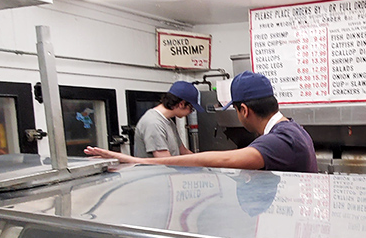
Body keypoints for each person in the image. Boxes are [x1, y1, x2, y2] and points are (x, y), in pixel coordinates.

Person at [86, 71, 318, 173]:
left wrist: (132, 160)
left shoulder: (279, 139)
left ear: (244, 110)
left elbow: (226, 159)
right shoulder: (293, 129)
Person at [132, 81, 204, 158]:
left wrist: (204, 163)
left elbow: (183, 151)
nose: (190, 112)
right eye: (191, 109)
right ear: (181, 104)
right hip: (160, 169)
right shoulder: (154, 123)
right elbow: (165, 161)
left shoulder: (168, 121)